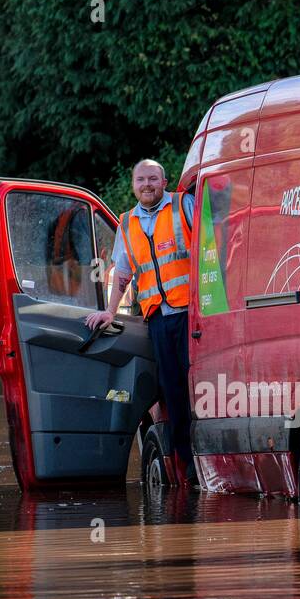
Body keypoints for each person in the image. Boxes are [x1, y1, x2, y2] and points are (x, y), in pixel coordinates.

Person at [85, 159, 197, 482]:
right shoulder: (127, 224)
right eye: (140, 179)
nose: (147, 184)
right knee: (172, 392)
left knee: (200, 387)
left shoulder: (183, 205)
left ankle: (208, 457)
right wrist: (110, 310)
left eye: (152, 178)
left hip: (193, 316)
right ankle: (186, 467)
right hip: (158, 320)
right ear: (133, 185)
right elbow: (123, 273)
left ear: (164, 181)